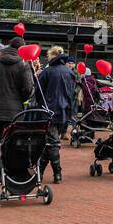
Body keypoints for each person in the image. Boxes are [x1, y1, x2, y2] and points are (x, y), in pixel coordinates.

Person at [0, 36, 35, 184]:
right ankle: (10, 171)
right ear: (22, 48)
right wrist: (21, 98)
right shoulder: (23, 64)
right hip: (15, 110)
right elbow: (28, 88)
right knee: (15, 141)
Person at [36, 46, 77, 183]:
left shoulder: (47, 72)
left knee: (52, 143)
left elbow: (39, 92)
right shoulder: (69, 72)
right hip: (64, 111)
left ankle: (54, 172)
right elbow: (72, 93)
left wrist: (42, 106)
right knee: (51, 142)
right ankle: (43, 172)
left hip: (49, 111)